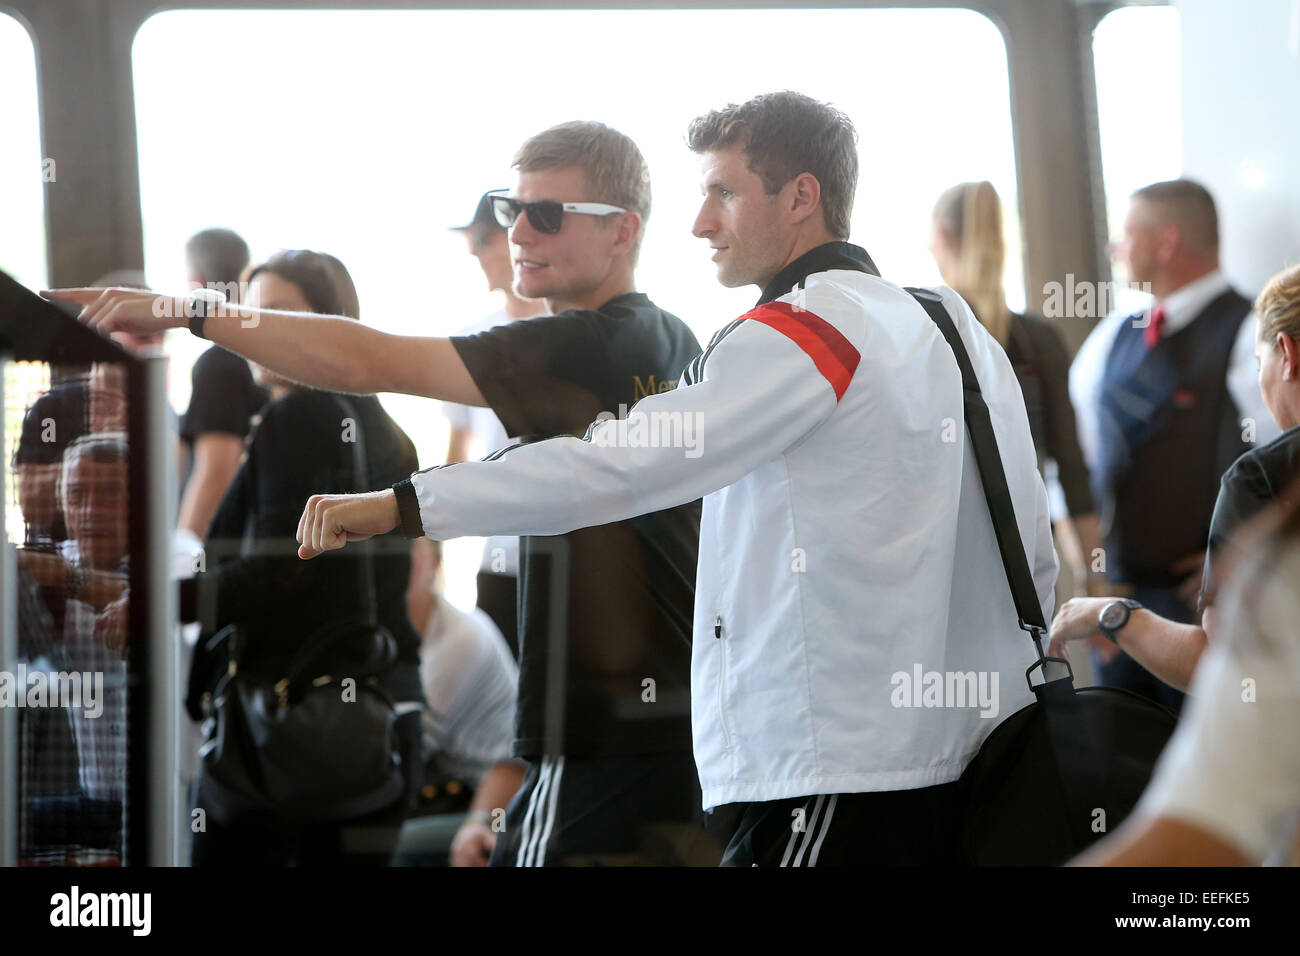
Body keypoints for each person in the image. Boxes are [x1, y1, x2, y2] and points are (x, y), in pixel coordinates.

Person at [291, 91, 1058, 866]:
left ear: (801, 196)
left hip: (836, 768)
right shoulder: (949, 323)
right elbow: (1029, 544)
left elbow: (610, 467)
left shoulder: (801, 332)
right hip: (975, 755)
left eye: (723, 192)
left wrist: (406, 503)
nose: (700, 222)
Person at [50, 122, 713, 867]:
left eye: (548, 214)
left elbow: (370, 358)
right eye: (509, 208)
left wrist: (186, 312)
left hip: (599, 730)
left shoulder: (589, 346)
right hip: (663, 723)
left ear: (623, 231)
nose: (518, 231)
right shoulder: (671, 340)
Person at [177, 250, 426, 865]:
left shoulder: (299, 416)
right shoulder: (390, 430)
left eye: (282, 313)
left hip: (285, 735)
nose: (260, 329)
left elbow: (280, 570)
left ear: (332, 323)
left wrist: (158, 601)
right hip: (379, 720)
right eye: (253, 313)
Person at [1068, 179, 1276, 711]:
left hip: (1209, 614)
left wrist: (1237, 561)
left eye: (1126, 234)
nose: (1116, 249)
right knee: (1121, 772)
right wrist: (1097, 581)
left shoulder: (1250, 331)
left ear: (1167, 242)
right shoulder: (1110, 337)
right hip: (1118, 604)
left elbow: (1285, 461)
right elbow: (1075, 466)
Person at [1050, 262, 1300, 691]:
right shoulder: (1113, 335)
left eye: (1261, 362)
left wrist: (1114, 613)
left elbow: (1225, 669)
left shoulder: (1262, 478)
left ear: (1287, 355)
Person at [1075, 485, 1300, 866]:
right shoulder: (1282, 564)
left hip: (1164, 604)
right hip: (1130, 588)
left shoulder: (1278, 558)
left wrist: (1116, 615)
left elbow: (1192, 838)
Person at [930, 181, 1103, 599]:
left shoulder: (925, 333)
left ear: (942, 239)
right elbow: (1071, 468)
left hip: (943, 555)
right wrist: (1095, 580)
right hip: (1025, 555)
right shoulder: (1037, 338)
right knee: (1030, 664)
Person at [442, 193, 547, 659]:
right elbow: (455, 453)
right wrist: (433, 544)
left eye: (483, 239)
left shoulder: (570, 330)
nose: (474, 253)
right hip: (498, 557)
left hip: (566, 551)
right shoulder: (471, 338)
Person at [404, 537, 523, 866]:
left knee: (394, 843)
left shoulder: (459, 639)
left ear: (436, 563)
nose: (397, 562)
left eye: (410, 548)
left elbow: (406, 753)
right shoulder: (399, 630)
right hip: (444, 787)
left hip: (489, 798)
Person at [177, 228, 268, 540]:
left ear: (196, 285)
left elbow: (216, 472)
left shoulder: (220, 362)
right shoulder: (266, 351)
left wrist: (183, 561)